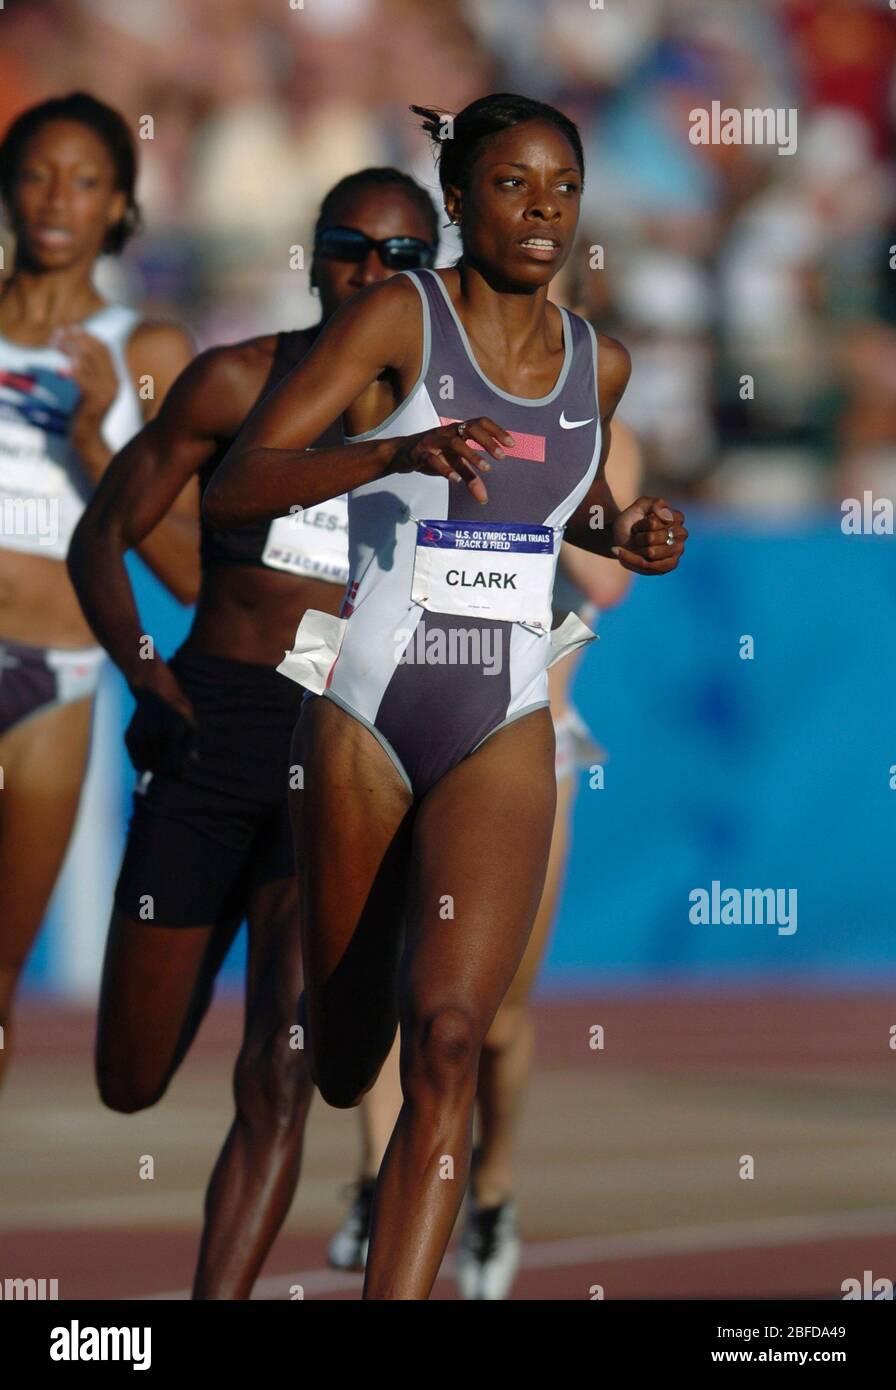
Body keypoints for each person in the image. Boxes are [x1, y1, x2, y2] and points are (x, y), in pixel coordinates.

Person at [204, 92, 687, 1300]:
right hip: (366, 701)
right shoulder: (394, 318)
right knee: (344, 1050)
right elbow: (239, 484)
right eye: (513, 186)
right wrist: (395, 452)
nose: (542, 213)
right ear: (459, 199)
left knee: (454, 1040)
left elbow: (560, 500)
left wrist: (627, 531)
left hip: (502, 710)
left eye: (563, 190)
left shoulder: (598, 360)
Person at [67, 167, 440, 1300]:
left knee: (279, 1068)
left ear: (431, 282)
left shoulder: (449, 424)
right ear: (313, 255)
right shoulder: (236, 381)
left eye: (402, 259)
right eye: (347, 247)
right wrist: (143, 678)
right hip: (209, 720)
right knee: (129, 1079)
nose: (369, 274)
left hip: (339, 742)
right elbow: (100, 539)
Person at [328, 421, 644, 1297]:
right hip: (392, 722)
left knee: (489, 1016)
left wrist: (544, 501)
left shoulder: (601, 427)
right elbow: (340, 566)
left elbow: (607, 584)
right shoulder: (412, 409)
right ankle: (374, 1182)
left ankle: (494, 1187)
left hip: (525, 742)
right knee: (394, 990)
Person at [0, 92, 195, 1092]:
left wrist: (93, 439)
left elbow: (191, 563)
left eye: (83, 181)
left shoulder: (148, 353)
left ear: (121, 205)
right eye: (36, 174)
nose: (55, 200)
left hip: (53, 678)